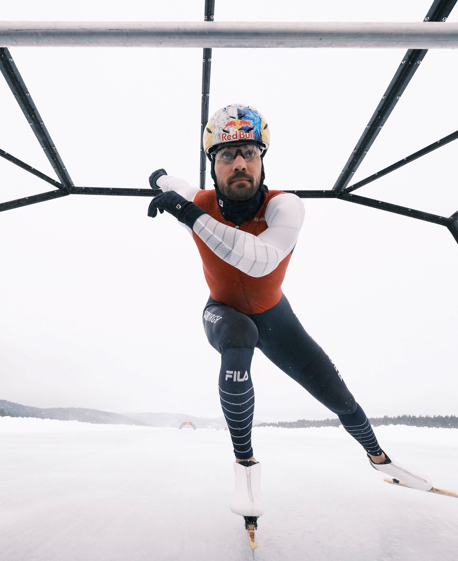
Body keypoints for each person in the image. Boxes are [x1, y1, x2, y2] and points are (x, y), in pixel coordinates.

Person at [146, 104, 433, 534]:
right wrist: (159, 178)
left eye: (249, 151)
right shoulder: (199, 200)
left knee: (339, 398)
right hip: (223, 312)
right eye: (226, 154)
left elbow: (258, 262)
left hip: (277, 317)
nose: (239, 162)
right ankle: (245, 469)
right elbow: (175, 183)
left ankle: (379, 458)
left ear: (263, 159)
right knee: (239, 333)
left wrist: (189, 214)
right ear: (213, 166)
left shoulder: (286, 208)